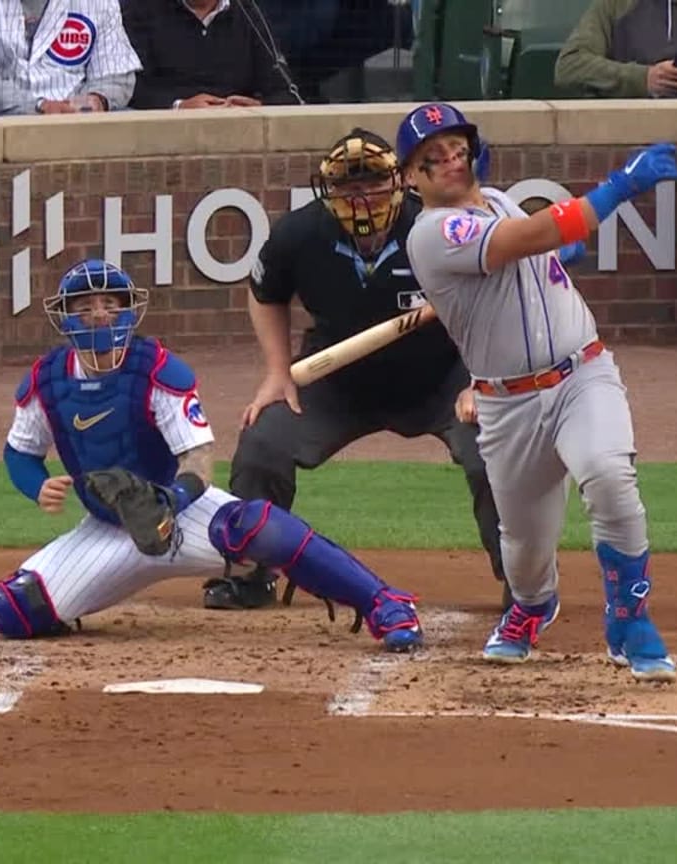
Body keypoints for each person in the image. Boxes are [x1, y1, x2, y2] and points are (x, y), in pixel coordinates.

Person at [0, 258, 425, 652]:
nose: (99, 314)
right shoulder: (47, 381)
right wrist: (37, 485)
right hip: (107, 529)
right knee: (11, 609)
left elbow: (197, 457)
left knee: (258, 526)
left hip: (179, 512)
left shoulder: (157, 369)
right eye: (86, 306)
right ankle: (70, 602)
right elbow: (19, 453)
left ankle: (384, 602)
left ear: (128, 311)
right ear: (66, 317)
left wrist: (168, 502)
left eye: (110, 304)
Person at [396, 102, 677, 682]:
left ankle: (631, 620)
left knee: (608, 476)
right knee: (524, 546)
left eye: (457, 149)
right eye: (433, 157)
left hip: (582, 374)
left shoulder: (497, 202)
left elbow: (534, 246)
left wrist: (553, 249)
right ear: (410, 177)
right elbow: (534, 233)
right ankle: (531, 605)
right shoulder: (433, 233)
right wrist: (621, 186)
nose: (451, 161)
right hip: (508, 404)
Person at [206, 128, 512, 614]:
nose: (361, 196)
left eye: (372, 182)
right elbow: (265, 294)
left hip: (443, 378)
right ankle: (249, 574)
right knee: (264, 442)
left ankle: (523, 582)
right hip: (337, 381)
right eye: (348, 186)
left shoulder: (436, 227)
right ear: (328, 189)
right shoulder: (300, 233)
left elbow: (492, 301)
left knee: (493, 449)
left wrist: (480, 379)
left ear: (400, 180)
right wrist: (277, 371)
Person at [0, 0, 138, 115]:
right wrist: (39, 106)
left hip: (82, 121)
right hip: (8, 119)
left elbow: (116, 75)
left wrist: (96, 99)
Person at [120, 0, 297, 110]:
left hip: (238, 131)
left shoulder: (247, 11)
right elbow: (131, 89)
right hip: (169, 131)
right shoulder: (140, 8)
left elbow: (286, 91)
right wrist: (179, 106)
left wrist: (260, 107)